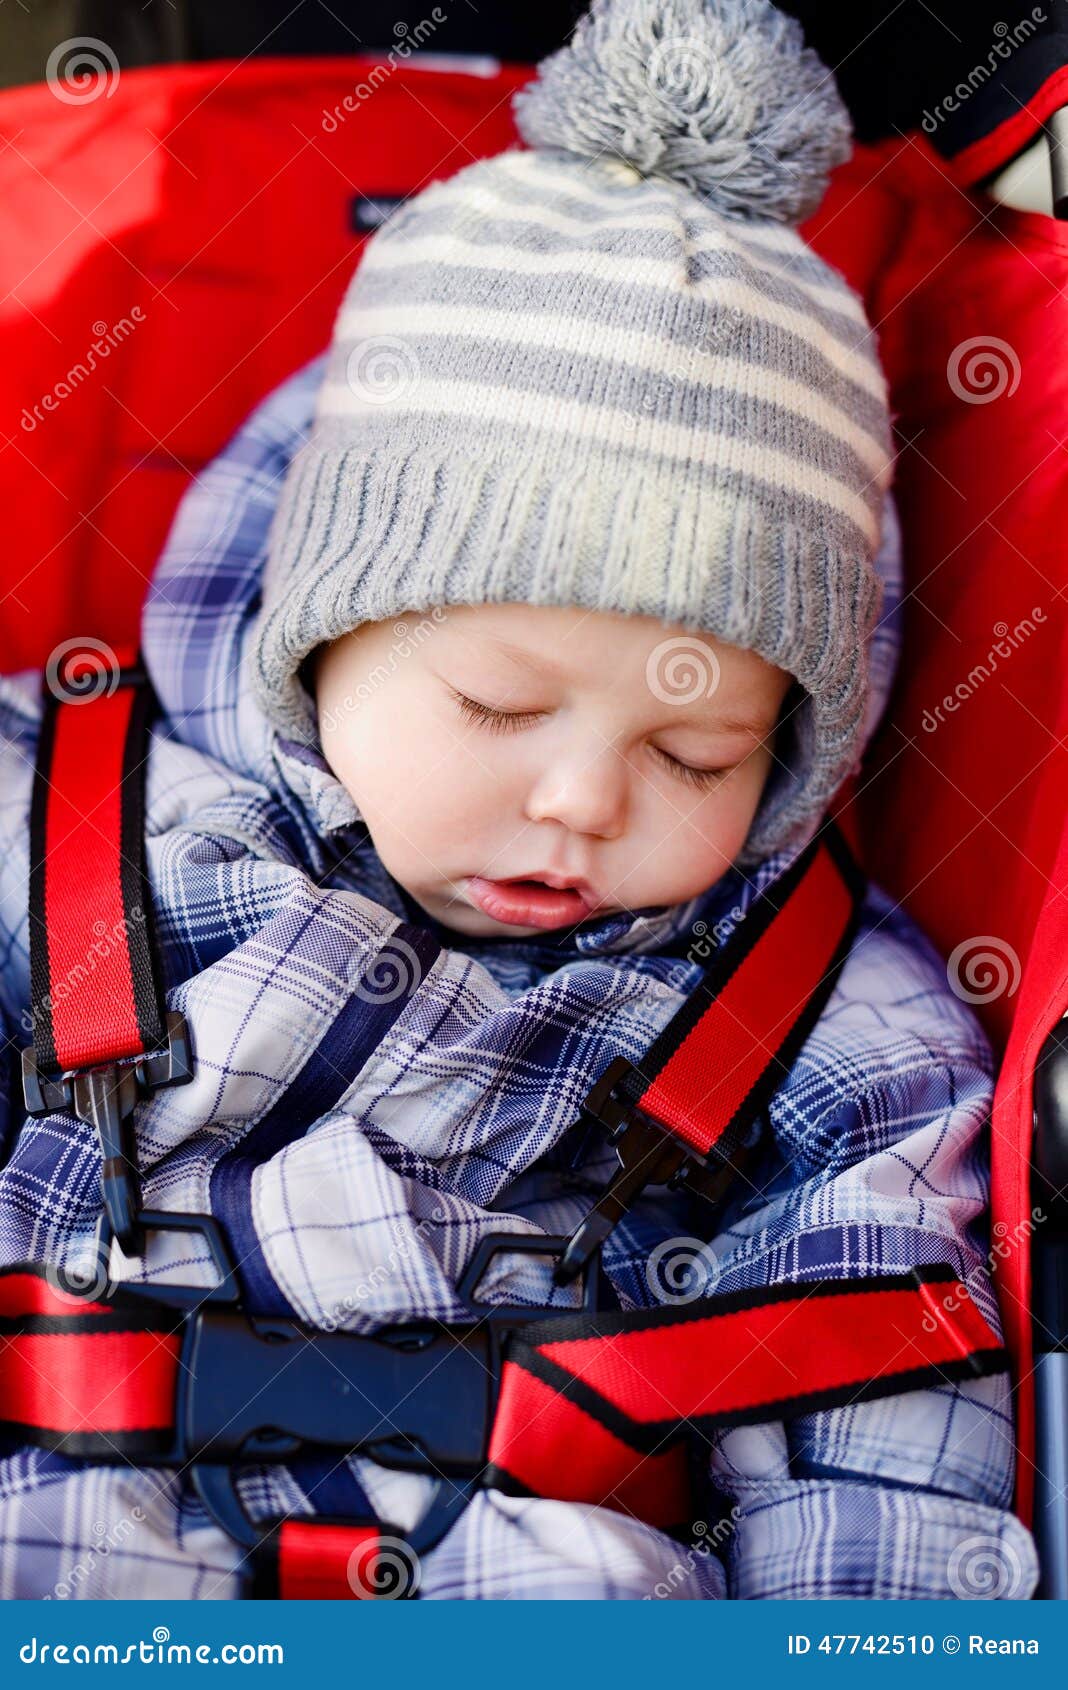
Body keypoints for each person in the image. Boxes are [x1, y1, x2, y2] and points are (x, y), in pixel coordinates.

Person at [0, 0, 1038, 1600]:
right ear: (319, 625)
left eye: (700, 756)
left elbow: (880, 1420)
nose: (578, 799)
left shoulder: (842, 1025)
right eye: (497, 704)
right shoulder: (69, 831)